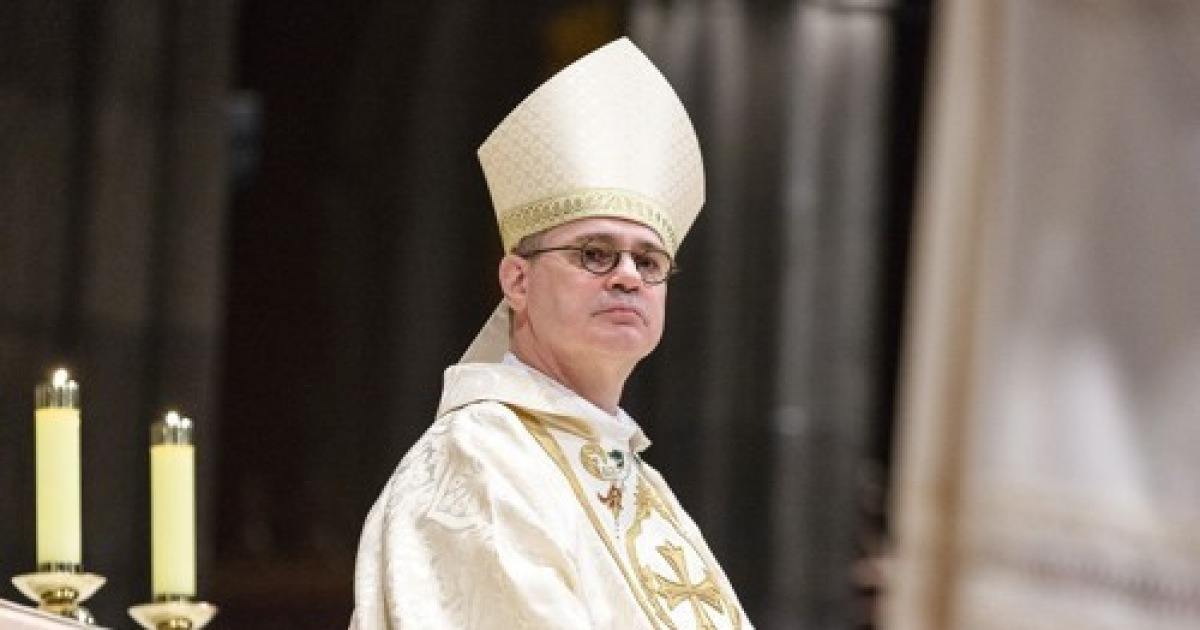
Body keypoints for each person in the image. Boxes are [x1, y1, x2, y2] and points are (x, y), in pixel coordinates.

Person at [351, 37, 752, 629]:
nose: (627, 276)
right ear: (517, 281)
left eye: (649, 261)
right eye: (595, 253)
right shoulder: (480, 458)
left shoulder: (638, 480)